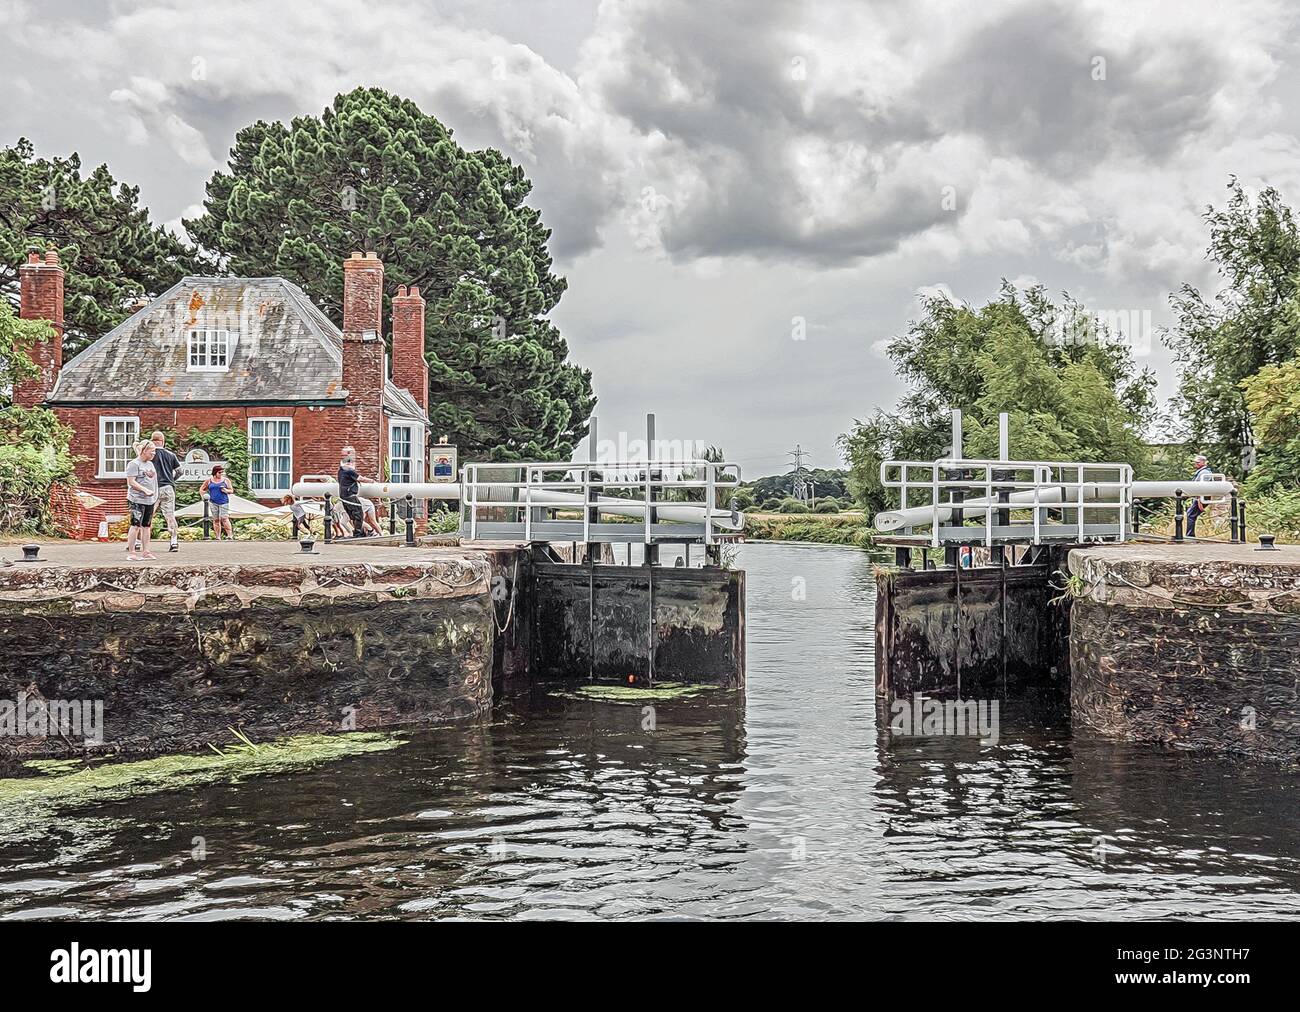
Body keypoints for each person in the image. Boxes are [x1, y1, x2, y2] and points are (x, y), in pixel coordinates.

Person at [124, 440, 159, 561]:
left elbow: (153, 480)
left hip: (150, 500)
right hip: (137, 499)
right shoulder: (134, 464)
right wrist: (144, 490)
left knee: (146, 526)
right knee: (135, 525)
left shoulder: (150, 464)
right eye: (152, 451)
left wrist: (154, 494)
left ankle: (146, 551)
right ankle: (132, 552)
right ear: (144, 451)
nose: (154, 454)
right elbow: (131, 482)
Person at [150, 431, 182, 552]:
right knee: (169, 515)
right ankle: (174, 542)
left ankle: (138, 542)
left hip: (153, 488)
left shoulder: (150, 455)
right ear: (163, 441)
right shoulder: (171, 455)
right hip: (168, 487)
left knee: (148, 515)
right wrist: (172, 480)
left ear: (152, 441)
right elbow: (180, 471)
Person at [337, 447, 369, 539]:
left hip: (343, 496)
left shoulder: (341, 470)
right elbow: (360, 478)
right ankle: (358, 533)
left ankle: (359, 532)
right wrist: (371, 481)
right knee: (358, 514)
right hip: (350, 495)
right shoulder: (349, 470)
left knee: (352, 515)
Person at [1185, 453, 1215, 538]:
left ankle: (1190, 535)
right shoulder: (1203, 472)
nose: (1195, 464)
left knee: (1190, 515)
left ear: (1203, 463)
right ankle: (1190, 535)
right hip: (1201, 497)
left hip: (1202, 497)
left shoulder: (1204, 472)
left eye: (1197, 462)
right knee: (1191, 514)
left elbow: (1202, 486)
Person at [201, 465, 235, 540]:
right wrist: (204, 496)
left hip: (223, 502)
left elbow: (231, 490)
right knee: (216, 519)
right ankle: (218, 537)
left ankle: (230, 535)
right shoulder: (209, 480)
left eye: (222, 473)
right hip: (213, 502)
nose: (221, 474)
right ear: (215, 472)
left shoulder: (226, 480)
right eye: (219, 472)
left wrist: (226, 491)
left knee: (224, 518)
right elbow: (202, 489)